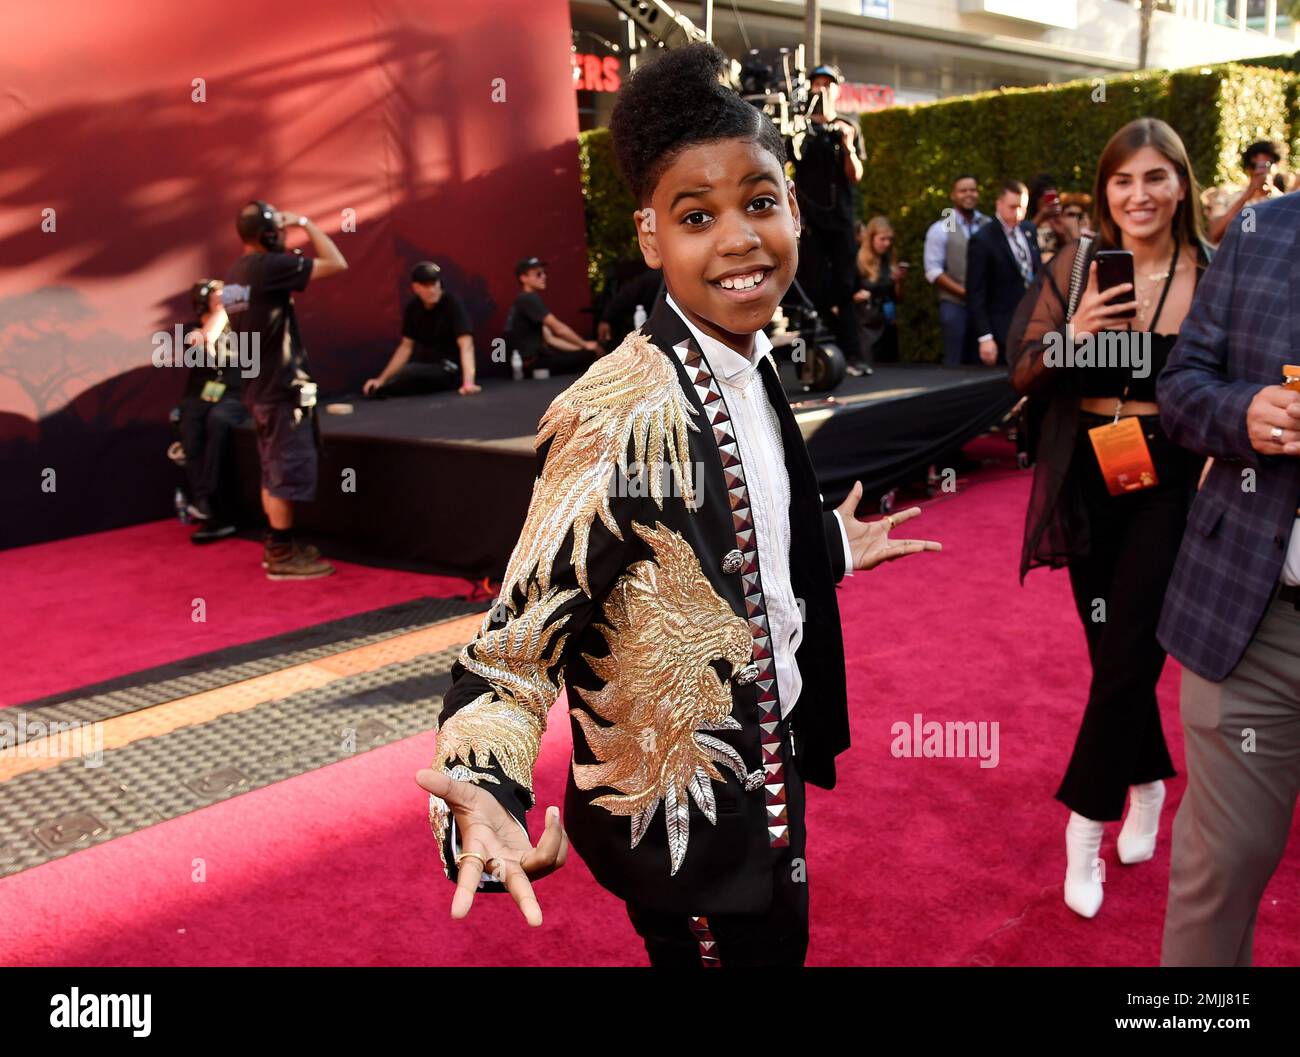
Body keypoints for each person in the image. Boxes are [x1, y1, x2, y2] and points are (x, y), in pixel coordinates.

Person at [415, 42, 940, 968]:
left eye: (762, 202)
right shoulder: (614, 412)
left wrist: (832, 549)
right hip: (688, 840)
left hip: (766, 794)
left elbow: (718, 538)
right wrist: (478, 789)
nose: (740, 238)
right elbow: (512, 649)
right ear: (652, 237)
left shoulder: (748, 359)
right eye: (698, 216)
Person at [1006, 117, 1212, 919]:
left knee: (1130, 656)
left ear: (1182, 185)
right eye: (1123, 180)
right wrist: (1073, 337)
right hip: (1093, 465)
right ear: (1105, 191)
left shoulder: (1209, 275)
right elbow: (1022, 373)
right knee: (1111, 656)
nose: (1139, 194)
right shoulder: (1080, 265)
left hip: (1169, 475)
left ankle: (1086, 827)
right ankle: (1150, 784)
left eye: (1156, 177)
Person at [1156, 190, 1300, 967]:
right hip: (1258, 619)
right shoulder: (1262, 230)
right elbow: (1183, 387)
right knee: (1223, 869)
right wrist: (1244, 414)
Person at [223, 200, 347, 580]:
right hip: (279, 390)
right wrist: (307, 223)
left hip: (259, 389)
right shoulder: (268, 267)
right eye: (278, 227)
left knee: (272, 469)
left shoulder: (235, 274)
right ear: (267, 234)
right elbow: (336, 263)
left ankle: (279, 544)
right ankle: (280, 554)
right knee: (284, 470)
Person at [790, 63, 866, 373]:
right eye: (816, 83)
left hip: (841, 220)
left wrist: (847, 146)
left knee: (845, 288)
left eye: (828, 83)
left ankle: (854, 356)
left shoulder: (848, 125)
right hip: (809, 224)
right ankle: (811, 360)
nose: (821, 89)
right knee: (812, 289)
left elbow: (857, 176)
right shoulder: (798, 128)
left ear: (837, 89)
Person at [176, 279, 247, 543]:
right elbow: (201, 341)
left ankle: (218, 500)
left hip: (233, 394)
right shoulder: (191, 330)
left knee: (219, 422)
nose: (223, 300)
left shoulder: (239, 325)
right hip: (199, 395)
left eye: (225, 296)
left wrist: (224, 309)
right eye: (216, 297)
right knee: (190, 426)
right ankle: (203, 502)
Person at [363, 262, 479, 398]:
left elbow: (466, 345)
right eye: (426, 285)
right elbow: (405, 348)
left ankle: (384, 390)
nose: (433, 290)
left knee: (410, 372)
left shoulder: (452, 303)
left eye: (435, 284)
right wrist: (381, 380)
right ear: (416, 288)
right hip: (426, 369)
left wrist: (468, 383)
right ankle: (380, 389)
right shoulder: (413, 308)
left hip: (450, 369)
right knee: (406, 376)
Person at [969, 179, 1040, 367]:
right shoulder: (983, 240)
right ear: (999, 204)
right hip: (1002, 328)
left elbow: (1036, 273)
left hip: (1033, 325)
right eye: (1012, 207)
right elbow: (975, 292)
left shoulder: (1029, 230)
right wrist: (985, 337)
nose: (1018, 213)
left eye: (1022, 208)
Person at [923, 175, 990, 365]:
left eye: (973, 190)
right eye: (963, 190)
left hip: (984, 305)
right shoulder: (943, 227)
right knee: (955, 358)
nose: (968, 194)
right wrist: (965, 293)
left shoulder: (987, 224)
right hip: (954, 304)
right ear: (953, 195)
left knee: (983, 360)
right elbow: (933, 271)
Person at [504, 256, 599, 377]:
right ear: (523, 278)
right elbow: (559, 329)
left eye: (543, 273)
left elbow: (551, 339)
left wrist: (581, 348)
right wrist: (585, 345)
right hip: (532, 364)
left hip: (533, 362)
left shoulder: (525, 300)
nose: (543, 276)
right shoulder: (528, 298)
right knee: (588, 356)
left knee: (586, 354)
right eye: (538, 274)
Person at [1205, 140, 1284, 246]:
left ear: (1275, 167)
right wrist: (1247, 195)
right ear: (1248, 168)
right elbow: (1213, 234)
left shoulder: (1283, 202)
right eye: (1254, 165)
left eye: (1267, 164)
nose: (1261, 170)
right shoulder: (1226, 196)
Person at [852, 215, 905, 369]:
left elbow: (898, 298)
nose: (887, 244)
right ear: (871, 238)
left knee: (891, 368)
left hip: (887, 323)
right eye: (882, 239)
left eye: (889, 239)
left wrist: (898, 281)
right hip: (866, 325)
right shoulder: (858, 262)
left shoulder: (889, 260)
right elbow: (844, 297)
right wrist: (857, 297)